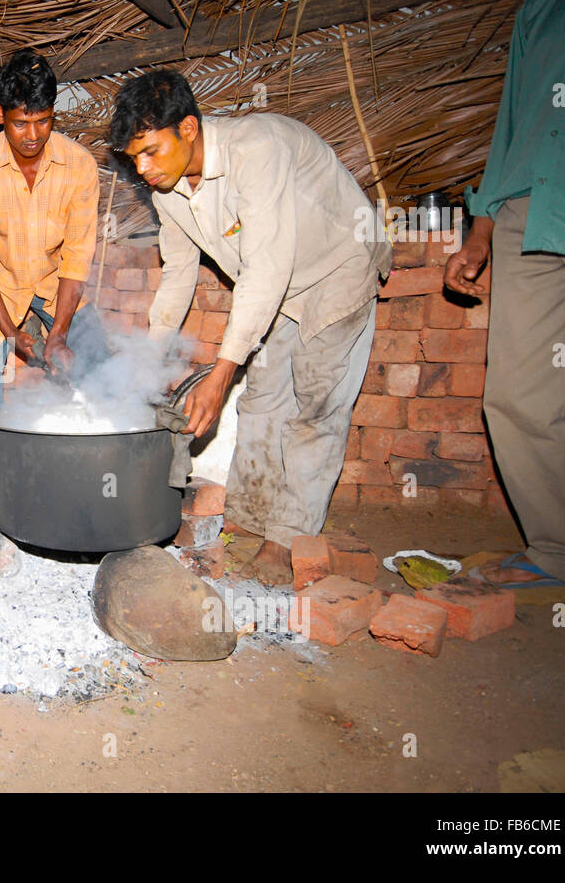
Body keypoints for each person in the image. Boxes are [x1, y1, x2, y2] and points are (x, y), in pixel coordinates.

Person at [110, 70, 390, 585]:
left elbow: (265, 269)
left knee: (315, 409)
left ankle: (288, 540)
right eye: (133, 159)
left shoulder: (256, 151)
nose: (142, 168)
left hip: (335, 271)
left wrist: (219, 375)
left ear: (188, 129)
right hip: (278, 287)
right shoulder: (169, 189)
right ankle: (246, 521)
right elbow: (178, 274)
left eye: (150, 151)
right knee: (262, 402)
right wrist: (148, 360)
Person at [445, 0, 565, 683]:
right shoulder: (547, 1)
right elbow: (513, 119)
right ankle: (564, 554)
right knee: (519, 399)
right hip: (528, 213)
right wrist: (480, 227)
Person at [0, 49, 109, 496]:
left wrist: (58, 332)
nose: (32, 135)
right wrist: (9, 333)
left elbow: (77, 258)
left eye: (43, 121)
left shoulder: (79, 165)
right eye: (20, 122)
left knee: (98, 366)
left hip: (54, 283)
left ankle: (98, 475)